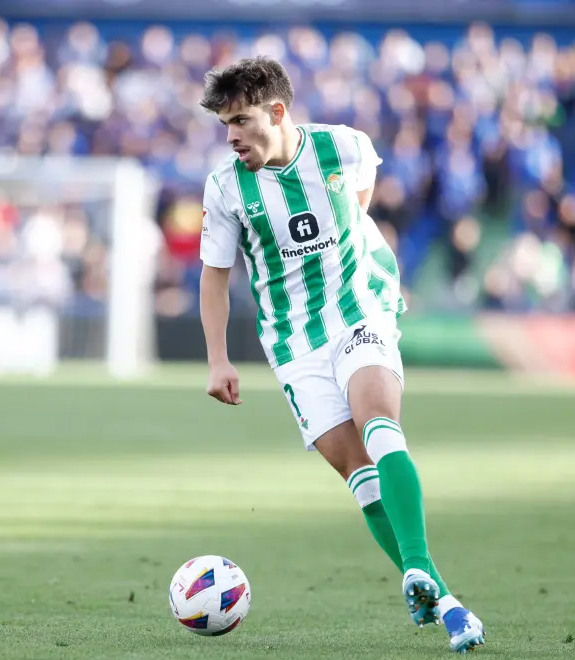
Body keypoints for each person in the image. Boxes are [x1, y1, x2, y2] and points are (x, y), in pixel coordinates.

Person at [196, 56, 485, 654]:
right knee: (359, 474)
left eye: (241, 121)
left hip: (359, 312)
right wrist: (218, 358)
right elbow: (215, 275)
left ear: (277, 112)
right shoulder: (225, 187)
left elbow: (359, 208)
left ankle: (418, 569)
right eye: (225, 125)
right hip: (293, 343)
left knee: (380, 423)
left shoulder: (346, 147)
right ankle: (445, 600)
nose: (231, 137)